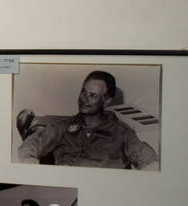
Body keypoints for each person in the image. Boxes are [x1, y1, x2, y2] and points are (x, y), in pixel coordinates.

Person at [18, 69, 159, 169]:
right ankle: (33, 129)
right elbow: (32, 144)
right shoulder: (63, 126)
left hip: (102, 190)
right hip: (66, 188)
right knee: (36, 136)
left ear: (107, 101)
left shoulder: (121, 132)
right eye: (83, 92)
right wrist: (29, 161)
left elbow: (149, 161)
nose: (84, 99)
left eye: (93, 96)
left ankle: (32, 127)